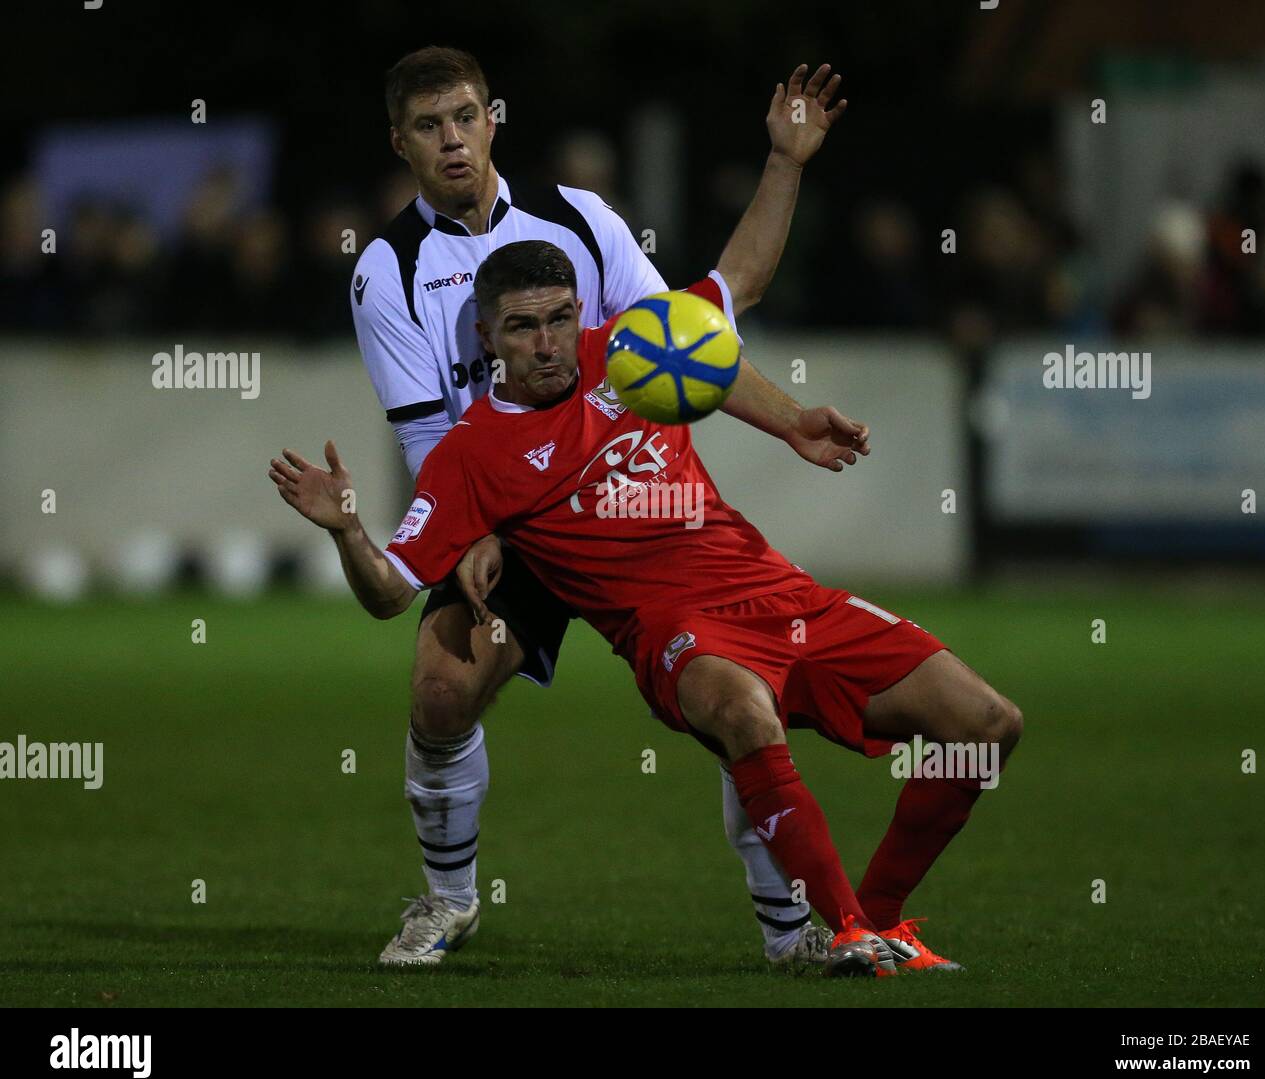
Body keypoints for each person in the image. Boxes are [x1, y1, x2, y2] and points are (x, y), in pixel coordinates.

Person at [271, 240, 1023, 976]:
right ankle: (848, 932)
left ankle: (880, 917)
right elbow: (390, 592)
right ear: (486, 336)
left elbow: (737, 285)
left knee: (987, 726)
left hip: (781, 592)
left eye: (560, 319)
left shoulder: (632, 351)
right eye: (522, 327)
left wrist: (788, 158)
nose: (546, 344)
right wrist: (347, 531)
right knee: (744, 715)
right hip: (678, 633)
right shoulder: (470, 454)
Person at [349, 44, 853, 967]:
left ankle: (794, 930)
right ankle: (449, 901)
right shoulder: (387, 270)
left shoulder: (576, 217)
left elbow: (680, 347)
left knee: (739, 705)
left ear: (493, 118)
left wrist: (787, 422)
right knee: (439, 690)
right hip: (510, 522)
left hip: (634, 508)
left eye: (464, 116)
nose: (452, 140)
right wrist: (476, 532)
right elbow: (429, 439)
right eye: (429, 126)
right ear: (401, 144)